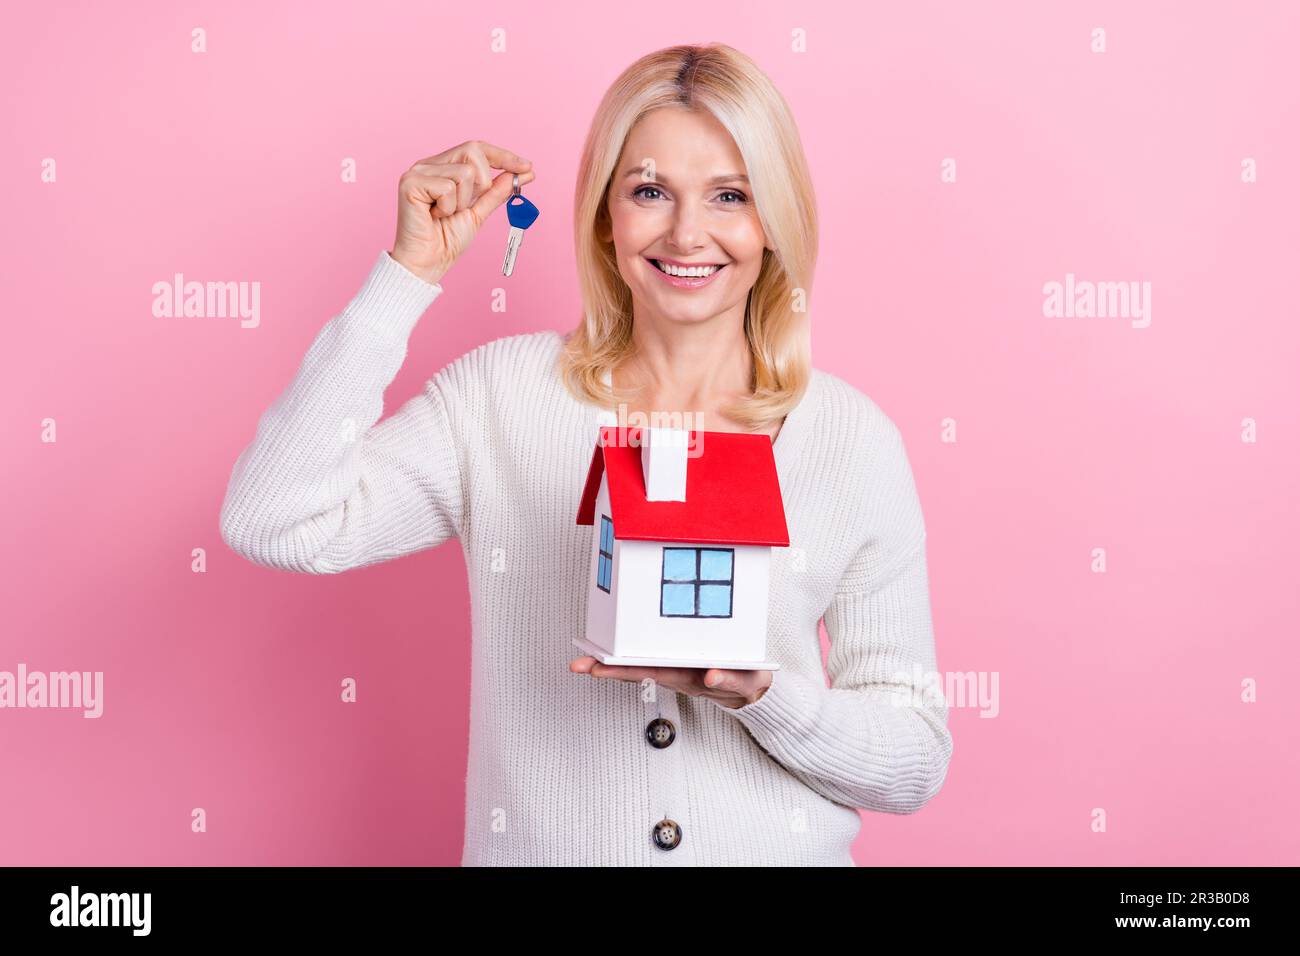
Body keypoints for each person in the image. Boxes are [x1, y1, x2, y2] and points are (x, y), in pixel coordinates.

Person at [219, 43, 952, 866]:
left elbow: (914, 759)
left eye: (730, 195)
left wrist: (766, 697)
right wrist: (406, 277)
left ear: (775, 220)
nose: (687, 232)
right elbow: (275, 520)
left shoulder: (853, 441)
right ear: (606, 214)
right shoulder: (499, 399)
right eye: (649, 191)